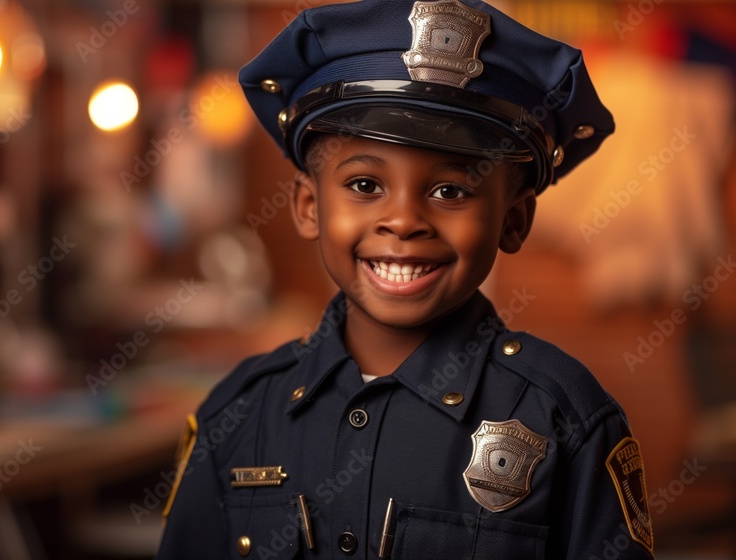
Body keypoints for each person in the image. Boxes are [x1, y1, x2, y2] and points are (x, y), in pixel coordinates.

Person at [156, 0, 654, 557]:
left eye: (450, 191)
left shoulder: (567, 420)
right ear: (308, 207)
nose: (404, 221)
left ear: (513, 220)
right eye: (365, 185)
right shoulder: (239, 416)